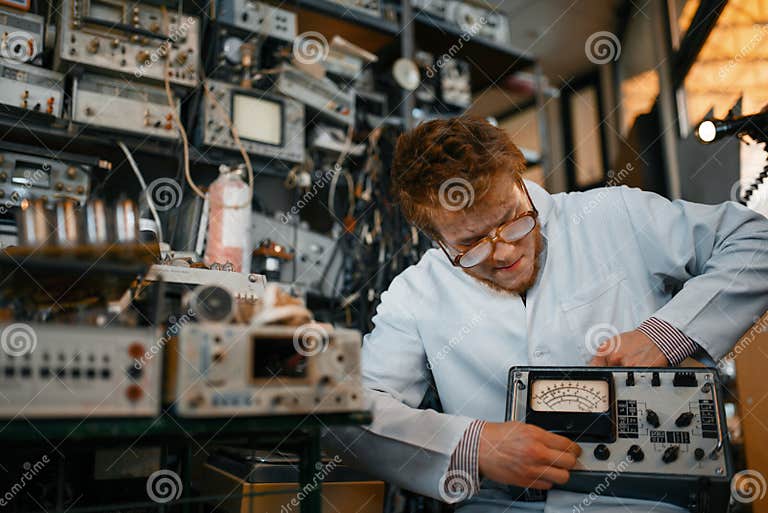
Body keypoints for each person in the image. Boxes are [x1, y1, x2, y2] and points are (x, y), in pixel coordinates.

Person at [324, 117, 768, 512]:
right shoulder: (414, 294)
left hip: (645, 501)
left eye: (512, 219)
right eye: (471, 244)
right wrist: (473, 446)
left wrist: (667, 334)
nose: (504, 253)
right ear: (436, 239)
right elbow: (352, 413)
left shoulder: (611, 215)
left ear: (519, 181)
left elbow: (755, 241)